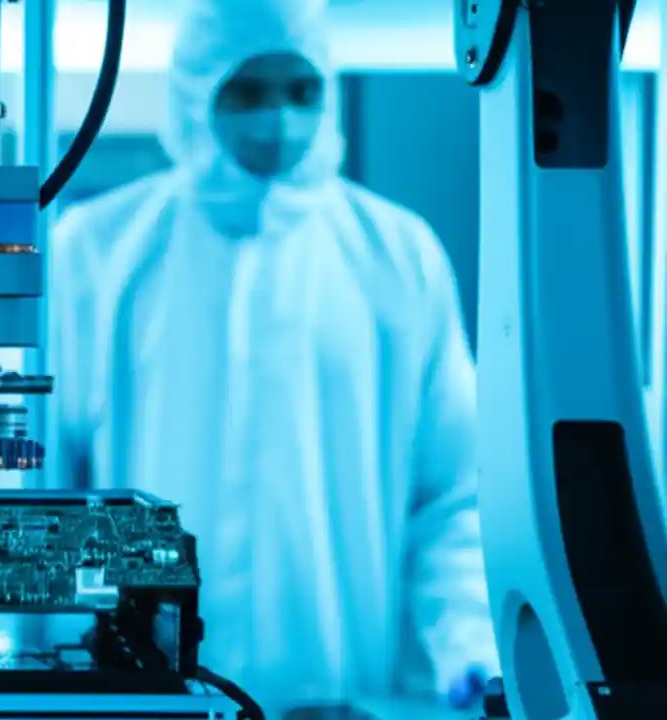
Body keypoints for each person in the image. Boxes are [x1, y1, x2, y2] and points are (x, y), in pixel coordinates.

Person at [49, 0, 500, 713]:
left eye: (301, 90)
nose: (279, 119)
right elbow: (49, 493)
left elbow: (450, 497)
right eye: (247, 91)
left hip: (335, 697)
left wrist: (469, 645)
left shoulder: (397, 255)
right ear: (196, 92)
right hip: (139, 694)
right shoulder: (99, 253)